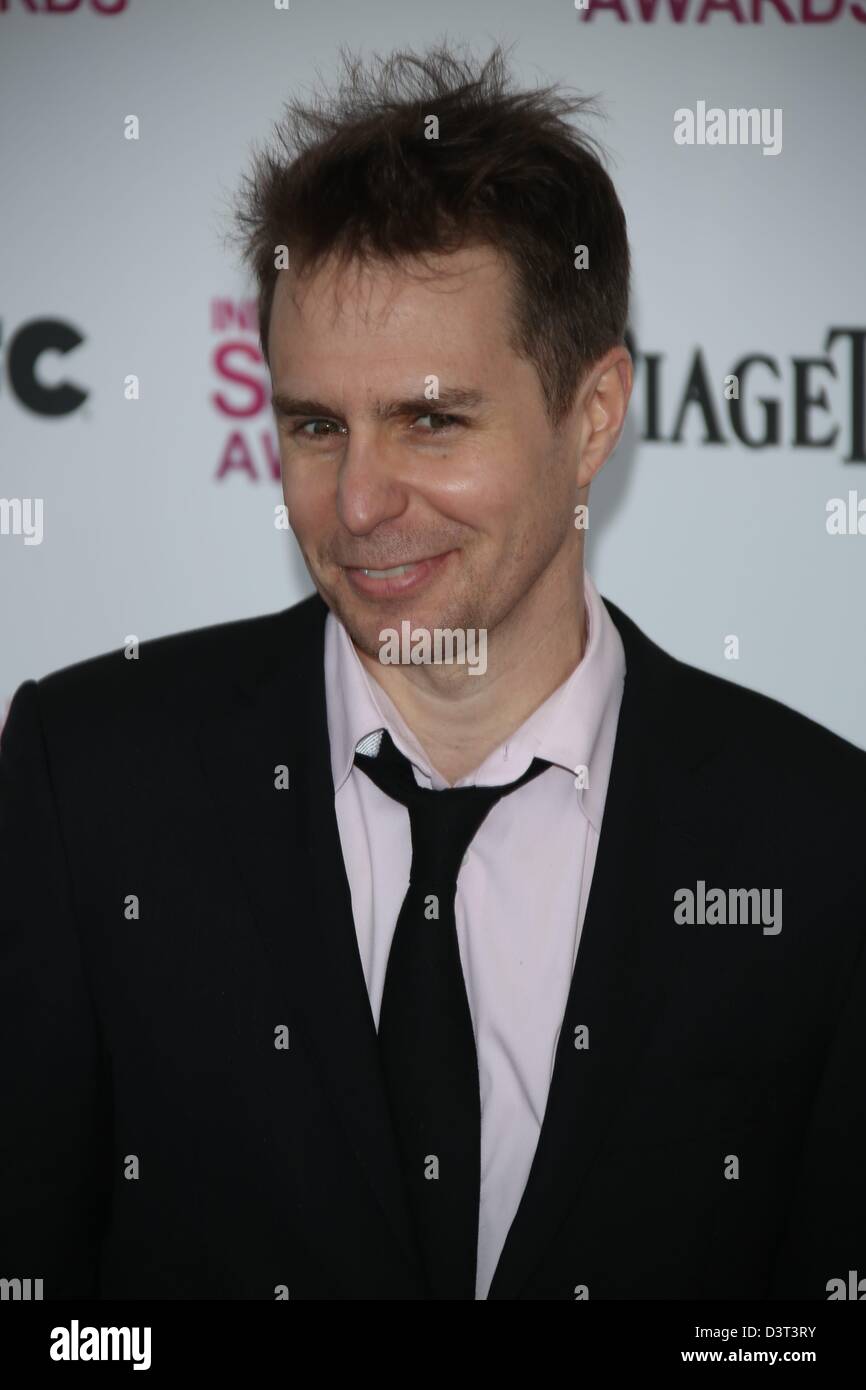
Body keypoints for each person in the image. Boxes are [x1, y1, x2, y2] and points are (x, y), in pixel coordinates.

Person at [1, 44, 864, 1303]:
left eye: (429, 420)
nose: (357, 502)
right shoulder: (89, 780)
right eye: (314, 426)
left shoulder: (816, 836)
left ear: (591, 415)